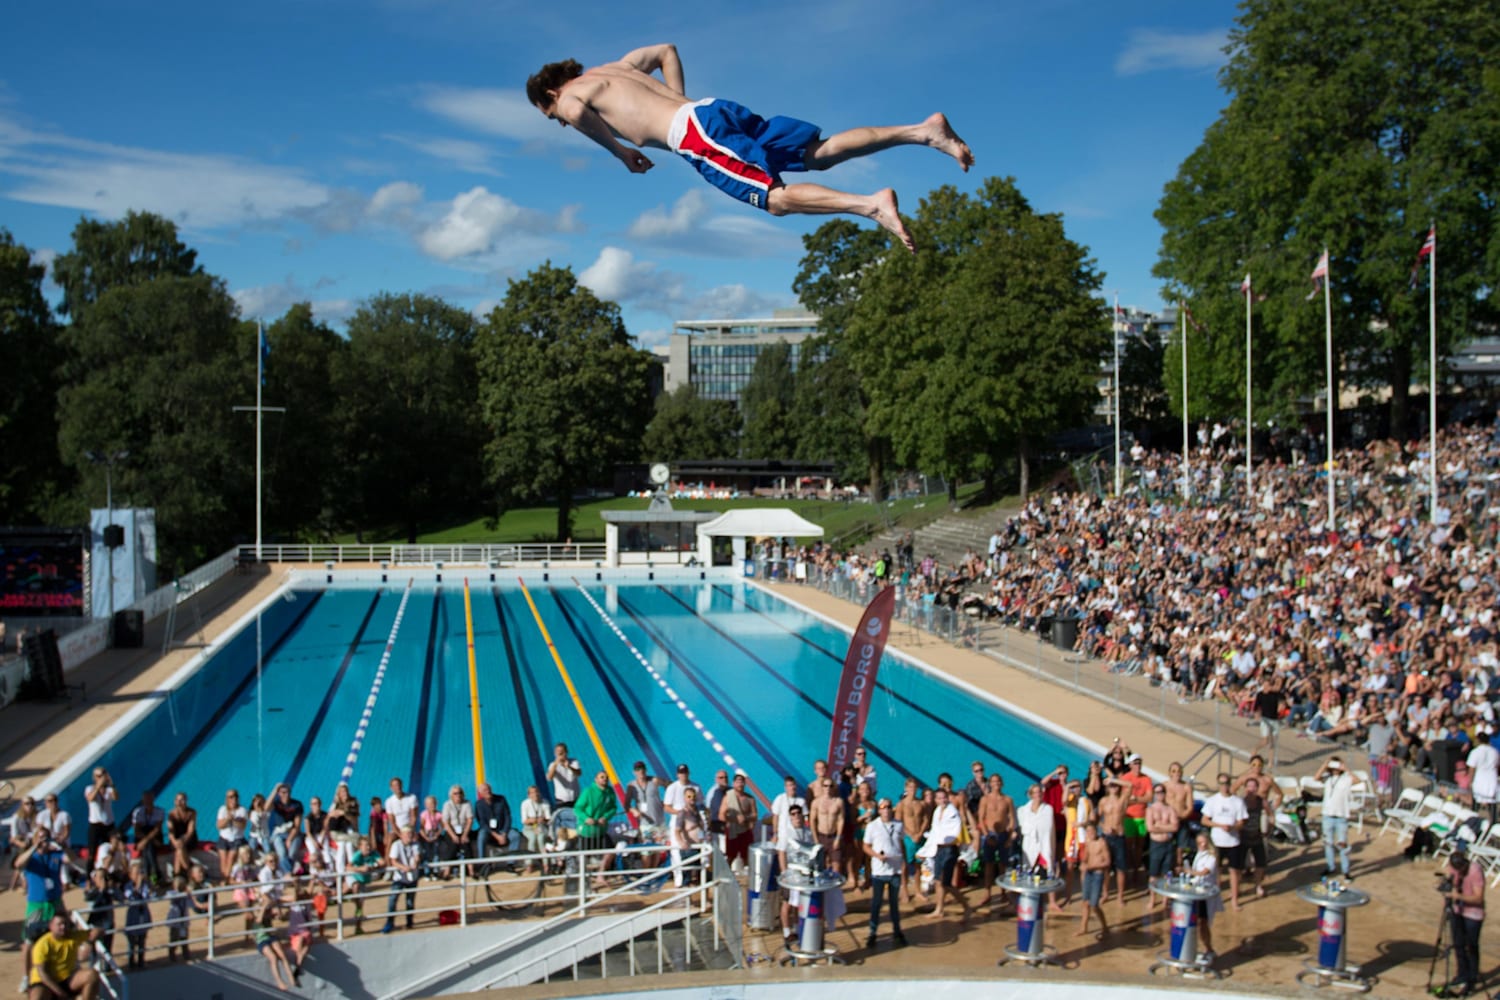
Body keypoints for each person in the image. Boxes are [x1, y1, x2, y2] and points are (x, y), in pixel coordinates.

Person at [525, 45, 973, 252]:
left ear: (548, 95)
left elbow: (576, 110)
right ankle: (924, 131)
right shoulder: (617, 68)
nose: (560, 120)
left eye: (552, 118)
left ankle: (870, 205)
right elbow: (666, 50)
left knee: (774, 199)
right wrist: (682, 101)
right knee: (819, 153)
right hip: (713, 111)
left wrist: (621, 153)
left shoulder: (568, 97)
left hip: (696, 134)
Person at [862, 797, 907, 948]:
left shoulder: (899, 825)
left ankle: (897, 931)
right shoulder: (872, 826)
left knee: (894, 903)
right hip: (879, 871)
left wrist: (903, 863)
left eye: (888, 807)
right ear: (879, 810)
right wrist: (877, 856)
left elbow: (900, 844)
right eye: (883, 807)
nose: (886, 810)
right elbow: (866, 846)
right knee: (877, 903)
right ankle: (872, 933)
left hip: (894, 870)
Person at [1199, 773, 1248, 909]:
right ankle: (1215, 897)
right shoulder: (1213, 800)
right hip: (1217, 841)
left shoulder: (1237, 801)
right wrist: (1219, 825)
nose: (1224, 786)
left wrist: (1232, 827)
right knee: (1216, 871)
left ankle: (1234, 900)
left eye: (1226, 783)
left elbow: (1242, 822)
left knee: (1234, 871)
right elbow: (1204, 820)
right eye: (1221, 783)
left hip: (1233, 841)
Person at [1443, 842, 1486, 997]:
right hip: (1458, 911)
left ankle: (1471, 979)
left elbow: (1478, 898)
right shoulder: (1454, 869)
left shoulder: (1475, 871)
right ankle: (1461, 973)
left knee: (1471, 947)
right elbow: (1451, 883)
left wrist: (1458, 896)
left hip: (1473, 914)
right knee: (1458, 944)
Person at [27, 912, 102, 1000]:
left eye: (66, 924)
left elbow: (98, 931)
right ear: (51, 926)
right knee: (37, 997)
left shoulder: (73, 936)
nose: (63, 927)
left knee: (92, 975)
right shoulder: (42, 945)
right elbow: (43, 974)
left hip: (67, 979)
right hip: (45, 983)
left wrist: (88, 943)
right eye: (59, 924)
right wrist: (60, 992)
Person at [924, 786, 970, 920]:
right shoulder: (937, 811)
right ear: (936, 800)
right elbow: (934, 832)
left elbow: (954, 831)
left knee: (946, 883)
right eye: (939, 798)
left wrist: (946, 840)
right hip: (939, 848)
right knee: (938, 881)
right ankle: (939, 909)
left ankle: (966, 907)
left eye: (944, 797)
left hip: (949, 849)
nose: (942, 800)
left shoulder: (952, 812)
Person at [776, 804, 814, 942]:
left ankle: (797, 929)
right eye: (793, 814)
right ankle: (786, 931)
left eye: (798, 813)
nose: (796, 816)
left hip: (803, 874)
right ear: (790, 817)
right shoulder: (786, 833)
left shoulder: (808, 832)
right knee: (787, 902)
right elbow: (781, 852)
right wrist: (784, 872)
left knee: (799, 903)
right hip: (791, 874)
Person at [574, 771, 618, 885]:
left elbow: (613, 808)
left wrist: (605, 817)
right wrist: (586, 818)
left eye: (606, 777)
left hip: (600, 830)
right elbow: (577, 808)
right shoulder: (588, 792)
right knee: (584, 857)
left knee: (610, 851)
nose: (605, 779)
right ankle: (583, 879)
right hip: (587, 831)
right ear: (596, 779)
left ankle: (600, 875)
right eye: (602, 777)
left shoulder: (609, 792)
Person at [1188, 830, 1224, 964]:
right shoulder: (1199, 854)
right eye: (1199, 843)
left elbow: (1204, 872)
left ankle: (1209, 949)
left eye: (1203, 842)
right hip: (1196, 892)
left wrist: (1189, 871)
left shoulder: (1212, 857)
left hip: (1206, 894)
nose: (1201, 845)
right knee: (1195, 923)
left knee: (1203, 923)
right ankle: (1193, 949)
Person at [1316, 756, 1354, 879]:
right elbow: (1316, 778)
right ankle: (1330, 866)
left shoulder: (1346, 779)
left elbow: (1357, 780)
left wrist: (1345, 768)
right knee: (1328, 843)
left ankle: (1345, 870)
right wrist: (1325, 765)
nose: (1335, 769)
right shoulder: (1328, 779)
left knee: (1342, 844)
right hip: (1328, 815)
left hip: (1341, 816)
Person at [1076, 818, 1111, 939]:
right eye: (1088, 831)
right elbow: (1085, 857)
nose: (1090, 833)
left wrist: (1092, 866)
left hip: (1097, 874)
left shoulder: (1102, 843)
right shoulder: (1088, 842)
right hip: (1088, 874)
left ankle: (1105, 926)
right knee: (1085, 902)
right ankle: (1083, 927)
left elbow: (1107, 862)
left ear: (1096, 831)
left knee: (1094, 904)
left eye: (1092, 831)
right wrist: (1083, 864)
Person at [382, 826, 421, 934]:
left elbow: (417, 856)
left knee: (410, 902)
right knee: (392, 900)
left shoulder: (415, 845)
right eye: (407, 834)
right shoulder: (396, 845)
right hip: (399, 877)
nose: (409, 836)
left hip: (412, 877)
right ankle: (389, 922)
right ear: (402, 835)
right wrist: (404, 867)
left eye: (410, 834)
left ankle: (409, 922)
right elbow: (393, 861)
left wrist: (416, 862)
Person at [719, 772, 757, 871]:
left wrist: (746, 818)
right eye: (738, 782)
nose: (740, 784)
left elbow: (754, 815)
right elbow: (721, 815)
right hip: (732, 830)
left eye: (742, 782)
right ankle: (726, 875)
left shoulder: (749, 799)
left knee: (747, 856)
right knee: (731, 856)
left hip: (745, 831)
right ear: (734, 783)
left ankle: (749, 876)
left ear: (744, 784)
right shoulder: (728, 797)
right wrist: (734, 819)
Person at [1144, 784, 1180, 882]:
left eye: (1162, 792)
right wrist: (1168, 827)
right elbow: (1150, 828)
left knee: (1167, 872)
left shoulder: (1170, 809)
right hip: (1156, 843)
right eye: (1157, 792)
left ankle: (1165, 897)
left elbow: (1175, 827)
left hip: (1168, 843)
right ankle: (1152, 897)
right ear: (1154, 794)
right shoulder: (1151, 809)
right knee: (1154, 872)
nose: (1160, 795)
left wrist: (1159, 826)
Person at [83, 768, 117, 863]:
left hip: (108, 823)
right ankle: (89, 875)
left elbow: (116, 797)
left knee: (112, 848)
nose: (101, 778)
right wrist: (98, 786)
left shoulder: (109, 789)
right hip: (95, 824)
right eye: (99, 776)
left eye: (103, 775)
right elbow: (90, 798)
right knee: (92, 852)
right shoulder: (89, 788)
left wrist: (112, 784)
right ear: (94, 778)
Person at [439, 785, 475, 875]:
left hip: (464, 830)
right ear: (451, 795)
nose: (458, 795)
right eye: (455, 794)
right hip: (451, 831)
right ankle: (447, 870)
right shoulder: (447, 805)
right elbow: (446, 822)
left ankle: (471, 870)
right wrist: (453, 835)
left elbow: (470, 820)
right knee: (453, 844)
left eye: (460, 793)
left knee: (466, 844)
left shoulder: (467, 803)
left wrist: (465, 834)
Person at [474, 782, 512, 864]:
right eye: (485, 790)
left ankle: (510, 863)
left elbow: (507, 817)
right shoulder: (479, 804)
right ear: (480, 793)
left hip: (502, 829)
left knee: (515, 836)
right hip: (489, 831)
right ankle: (482, 863)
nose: (488, 791)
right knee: (481, 836)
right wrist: (496, 836)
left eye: (489, 789)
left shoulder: (501, 799)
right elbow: (482, 823)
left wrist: (504, 833)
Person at [1467, 732, 1500, 825]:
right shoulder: (1494, 751)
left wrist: (1470, 781)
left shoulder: (1475, 752)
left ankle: (1473, 820)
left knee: (1476, 802)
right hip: (1491, 778)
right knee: (1492, 804)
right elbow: (1497, 766)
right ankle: (1493, 822)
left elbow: (1471, 768)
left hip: (1480, 779)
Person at [215, 789, 248, 880]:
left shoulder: (242, 810)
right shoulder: (222, 809)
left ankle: (226, 879)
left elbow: (243, 826)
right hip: (224, 838)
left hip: (237, 838)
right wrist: (227, 819)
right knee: (223, 859)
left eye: (235, 796)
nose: (233, 799)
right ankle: (225, 878)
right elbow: (219, 825)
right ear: (227, 799)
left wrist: (233, 820)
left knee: (231, 857)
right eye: (231, 797)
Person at [166, 792, 198, 878]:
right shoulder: (171, 814)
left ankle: (177, 876)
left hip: (189, 839)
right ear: (175, 801)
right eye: (178, 800)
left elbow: (190, 831)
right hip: (176, 839)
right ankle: (189, 873)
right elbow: (170, 832)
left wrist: (183, 841)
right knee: (179, 849)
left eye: (182, 800)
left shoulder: (192, 812)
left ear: (186, 801)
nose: (180, 803)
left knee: (179, 849)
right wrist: (175, 842)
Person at [520, 786, 552, 870]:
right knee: (532, 839)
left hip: (541, 826)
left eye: (536, 792)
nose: (535, 794)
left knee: (541, 839)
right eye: (532, 793)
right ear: (529, 795)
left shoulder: (545, 803)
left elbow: (548, 818)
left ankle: (546, 864)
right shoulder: (525, 804)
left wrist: (543, 819)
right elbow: (524, 820)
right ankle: (529, 863)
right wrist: (533, 820)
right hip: (529, 828)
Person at [548, 743, 582, 808]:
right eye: (559, 753)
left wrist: (569, 767)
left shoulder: (574, 762)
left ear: (566, 752)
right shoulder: (552, 765)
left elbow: (579, 773)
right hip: (561, 799)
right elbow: (549, 778)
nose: (561, 755)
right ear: (555, 754)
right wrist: (555, 765)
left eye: (562, 752)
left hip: (575, 797)